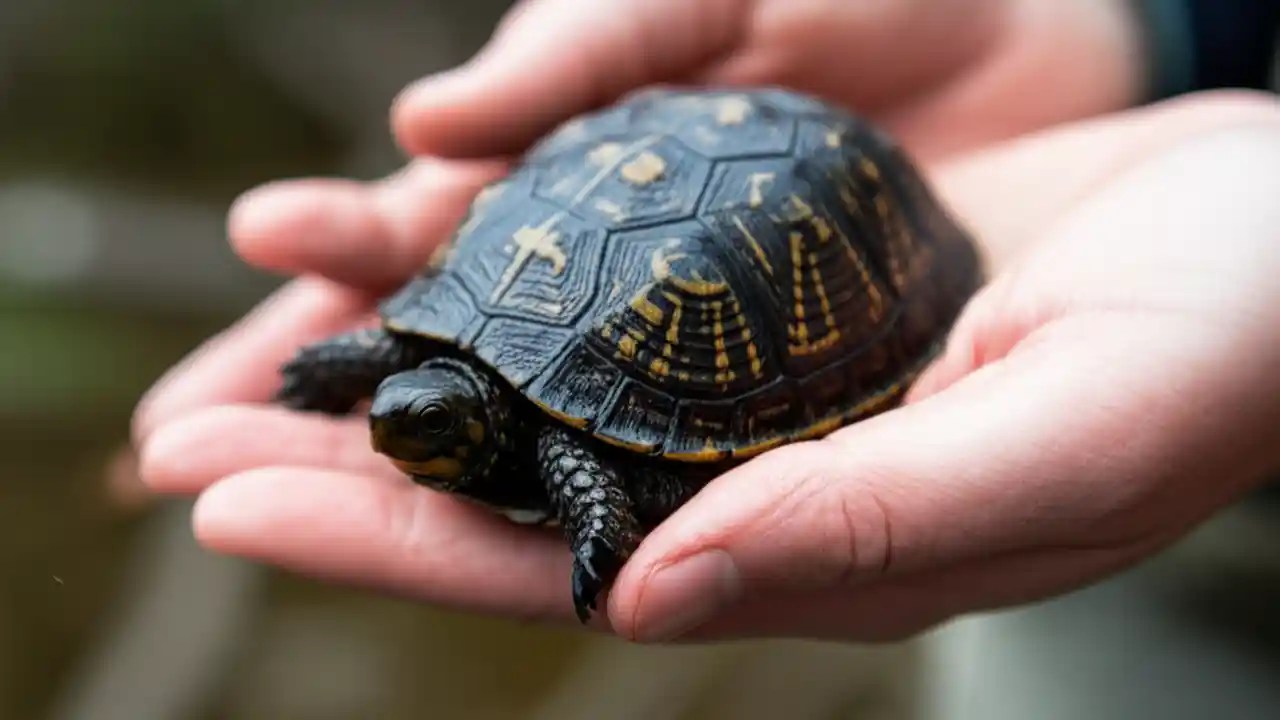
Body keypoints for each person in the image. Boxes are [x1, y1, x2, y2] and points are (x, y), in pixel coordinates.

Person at [132, 0, 1280, 643]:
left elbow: (578, 463)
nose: (394, 419)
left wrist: (599, 527)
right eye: (397, 420)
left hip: (838, 208)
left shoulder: (562, 445)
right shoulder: (419, 371)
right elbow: (390, 357)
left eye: (412, 422)